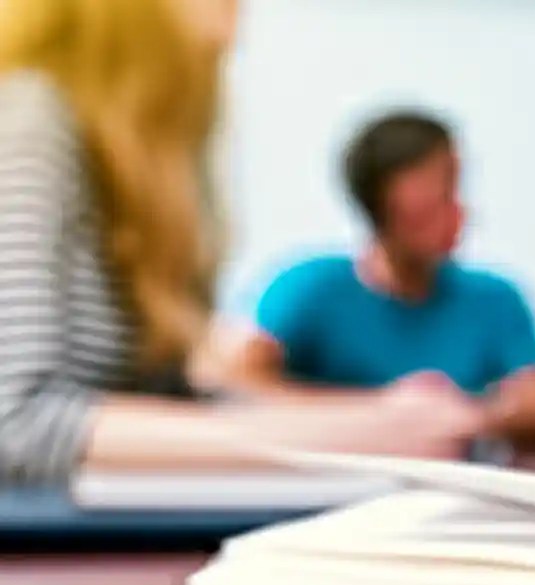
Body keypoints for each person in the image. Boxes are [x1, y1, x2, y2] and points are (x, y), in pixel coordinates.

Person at [0, 0, 494, 485]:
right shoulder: (29, 120)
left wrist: (376, 416)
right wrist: (350, 432)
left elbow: (169, 396)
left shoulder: (130, 158)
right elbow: (14, 424)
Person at [229, 113, 535, 450]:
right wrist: (382, 413)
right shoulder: (307, 288)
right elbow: (229, 381)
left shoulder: (495, 297)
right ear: (379, 202)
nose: (455, 210)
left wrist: (465, 416)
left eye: (453, 188)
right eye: (434, 194)